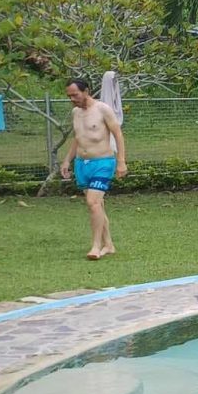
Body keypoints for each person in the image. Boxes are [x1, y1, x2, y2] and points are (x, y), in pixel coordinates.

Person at [60, 78, 127, 261]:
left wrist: (121, 161)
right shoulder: (76, 113)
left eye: (75, 94)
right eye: (69, 96)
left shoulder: (102, 109)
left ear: (86, 91)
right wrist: (67, 160)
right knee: (97, 206)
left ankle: (96, 246)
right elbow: (78, 137)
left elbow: (118, 134)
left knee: (93, 202)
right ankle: (109, 244)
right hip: (82, 164)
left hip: (103, 162)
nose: (72, 99)